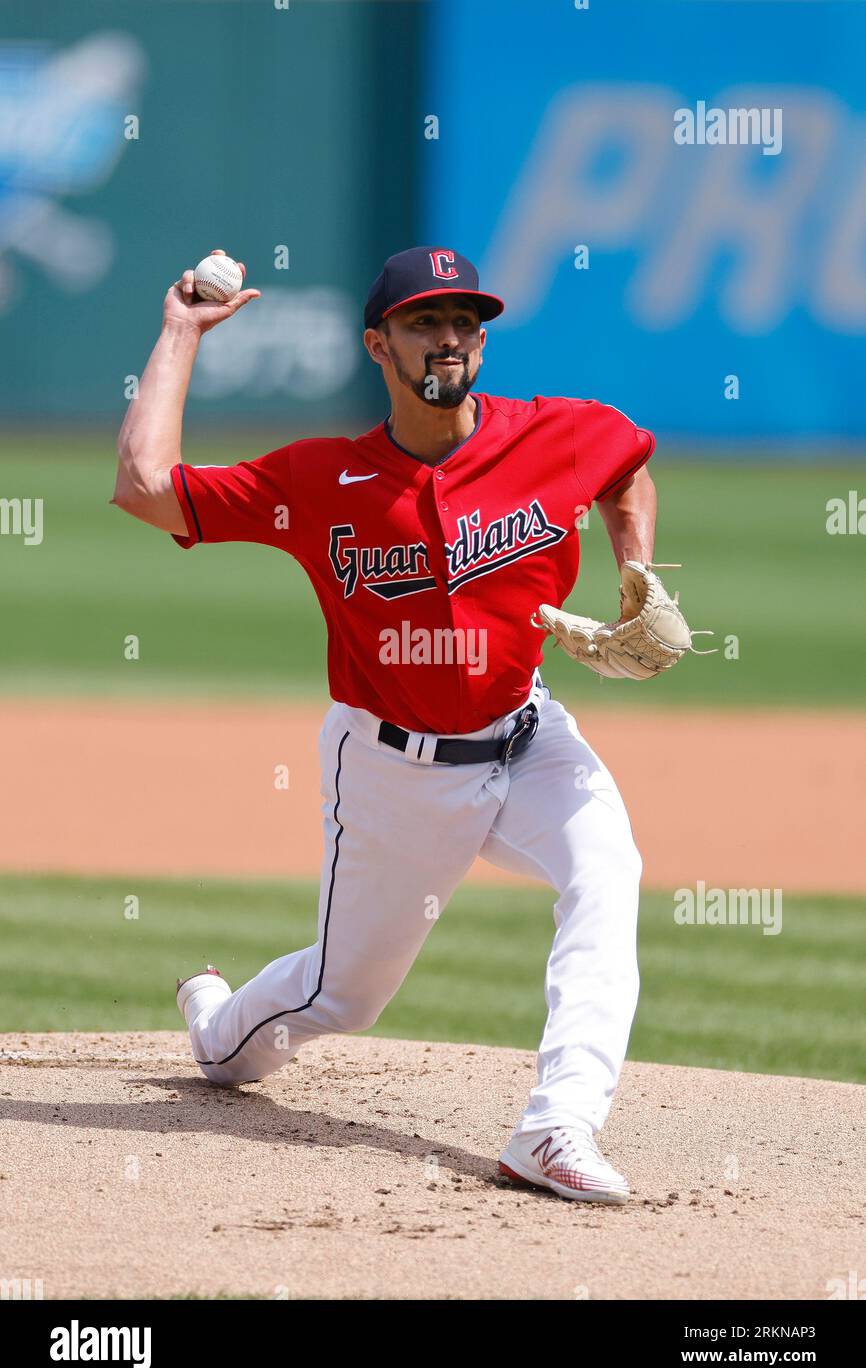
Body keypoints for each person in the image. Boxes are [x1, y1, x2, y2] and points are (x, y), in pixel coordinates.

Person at [113, 245, 657, 1204]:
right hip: (393, 771)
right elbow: (146, 486)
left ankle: (557, 1127)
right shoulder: (322, 479)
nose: (451, 338)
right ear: (378, 344)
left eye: (466, 321)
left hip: (530, 738)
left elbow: (628, 467)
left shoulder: (554, 433)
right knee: (342, 995)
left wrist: (636, 574)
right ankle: (216, 1027)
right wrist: (179, 332)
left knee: (608, 874)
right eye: (424, 323)